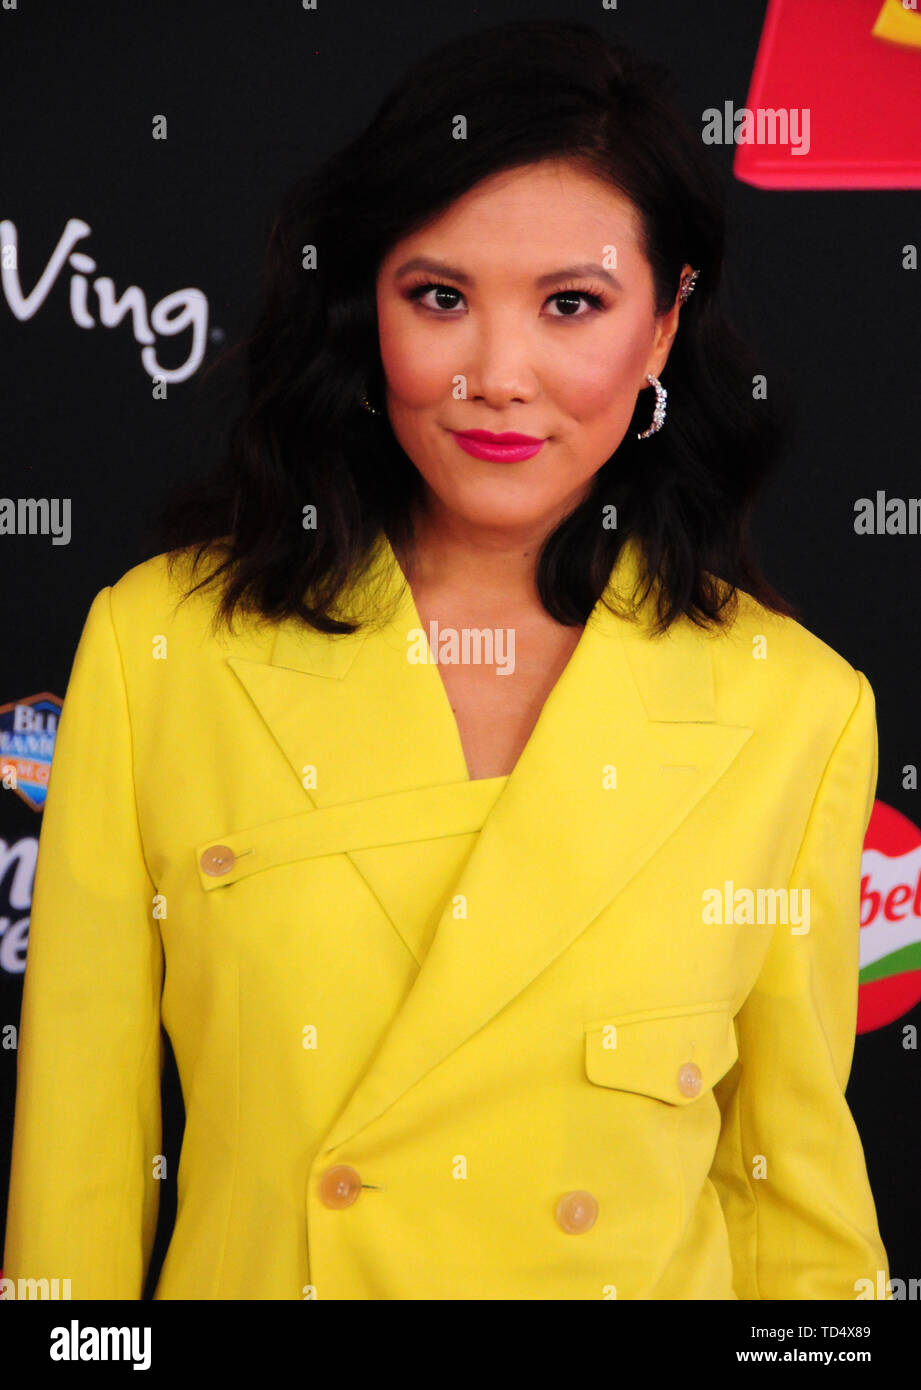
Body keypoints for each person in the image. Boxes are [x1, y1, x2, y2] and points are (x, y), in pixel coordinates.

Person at [3, 18, 890, 1300]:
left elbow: (796, 1220)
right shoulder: (163, 650)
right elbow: (74, 1208)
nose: (496, 376)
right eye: (440, 298)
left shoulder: (795, 707)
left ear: (661, 328)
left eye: (572, 305)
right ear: (368, 308)